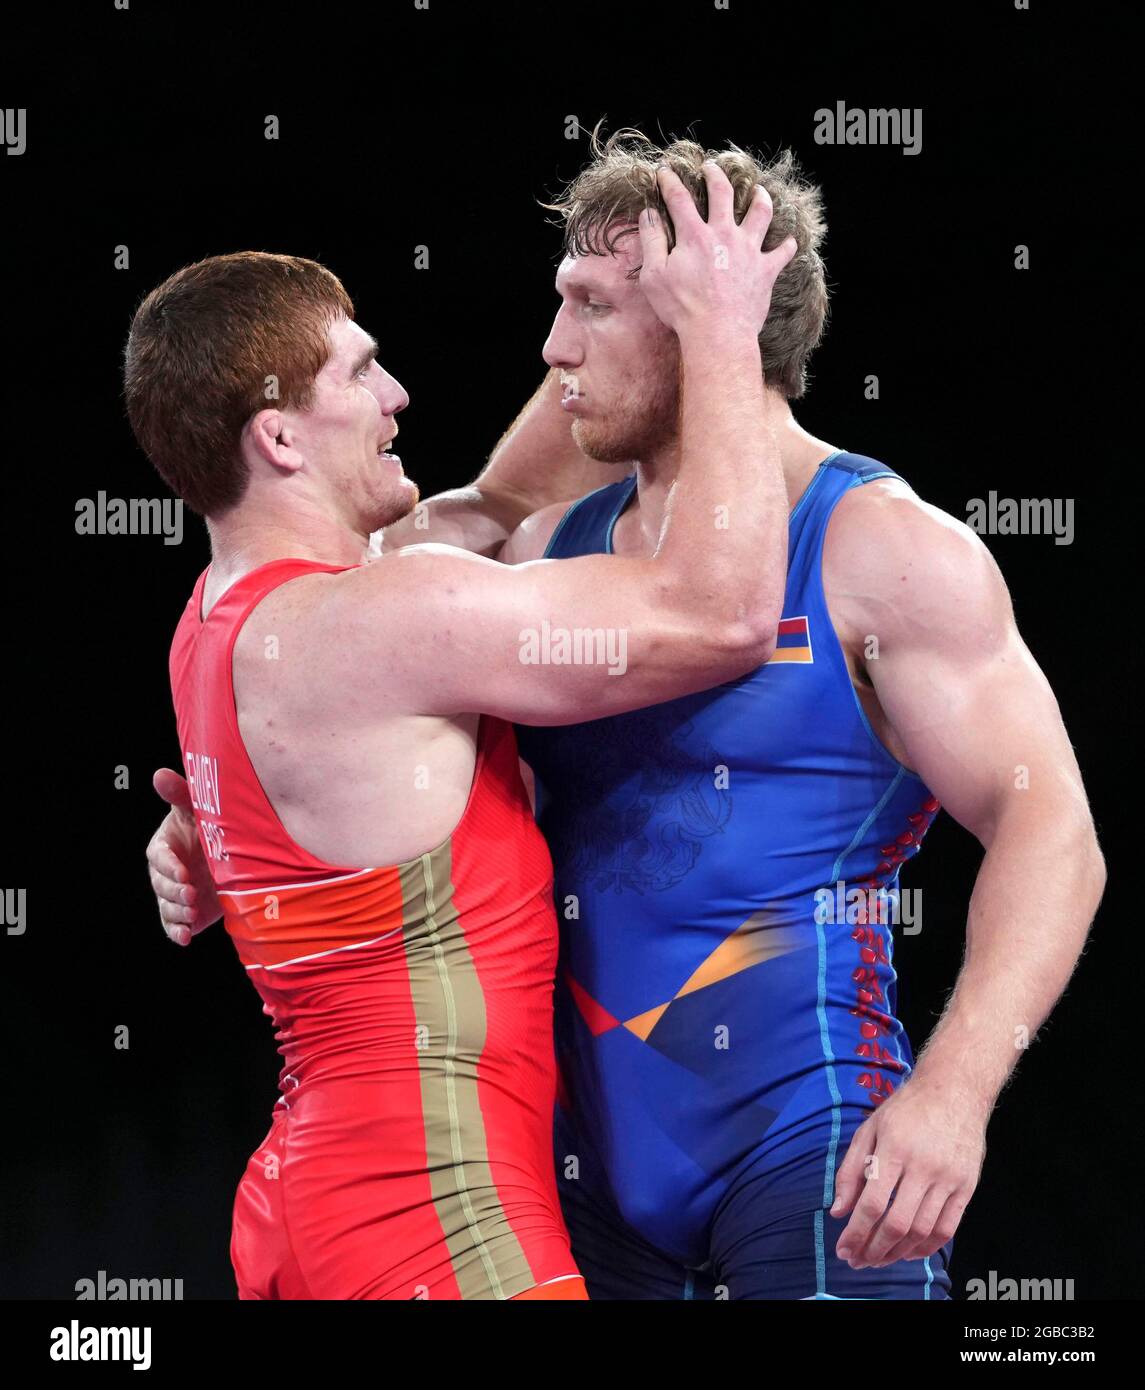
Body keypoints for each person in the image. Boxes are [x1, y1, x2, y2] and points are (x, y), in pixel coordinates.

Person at [149, 131, 1105, 1300]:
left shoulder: (888, 554)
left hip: (806, 1149)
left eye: (595, 308)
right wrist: (231, 837)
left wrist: (954, 1093)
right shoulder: (547, 552)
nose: (553, 352)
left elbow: (1052, 831)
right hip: (568, 1181)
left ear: (709, 321)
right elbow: (334, 673)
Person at [129, 162, 797, 1299]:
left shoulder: (217, 623)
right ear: (282, 439)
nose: (396, 397)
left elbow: (486, 508)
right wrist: (719, 328)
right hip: (429, 1226)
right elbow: (724, 615)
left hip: (309, 1213)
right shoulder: (387, 616)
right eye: (361, 371)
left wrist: (607, 304)